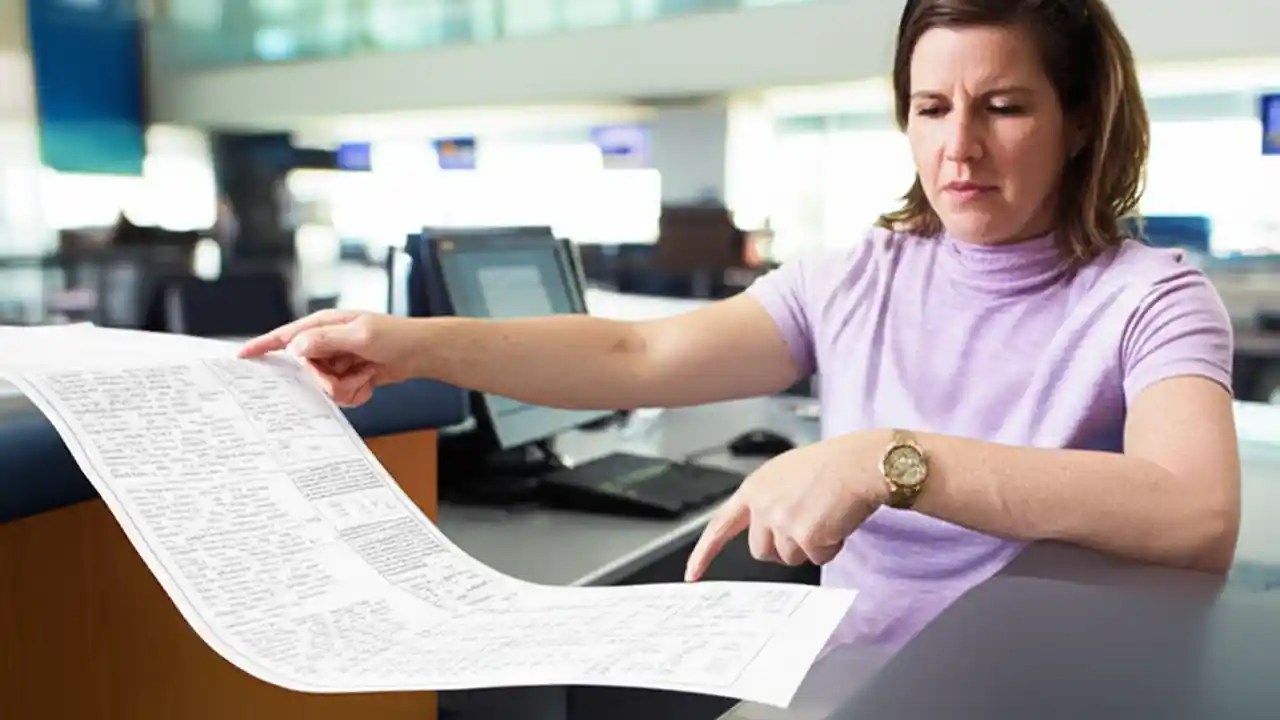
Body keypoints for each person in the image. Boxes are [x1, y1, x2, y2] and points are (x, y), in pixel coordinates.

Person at [239, 0, 1240, 647]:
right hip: (858, 684)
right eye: (930, 107)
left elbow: (1191, 513)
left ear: (1077, 124)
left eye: (1004, 107)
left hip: (1052, 692)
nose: (958, 147)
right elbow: (637, 352)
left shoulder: (1148, 297)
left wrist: (883, 459)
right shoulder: (854, 277)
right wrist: (415, 342)